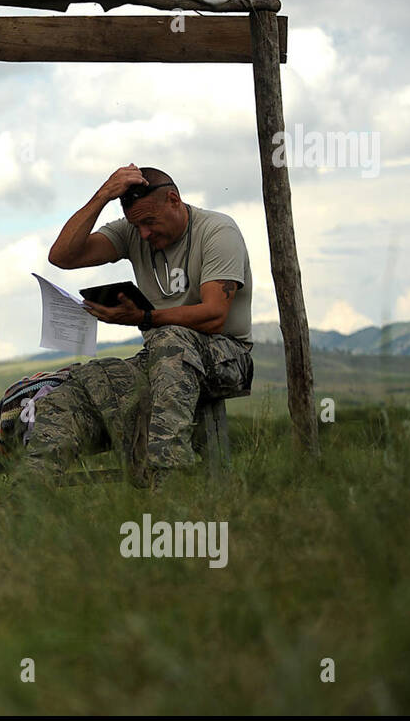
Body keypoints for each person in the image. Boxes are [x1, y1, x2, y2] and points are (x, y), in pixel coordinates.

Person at [24, 163, 254, 486]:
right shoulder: (134, 232)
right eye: (137, 225)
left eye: (149, 222)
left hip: (227, 357)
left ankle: (170, 487)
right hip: (161, 356)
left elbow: (214, 315)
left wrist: (145, 318)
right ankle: (30, 497)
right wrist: (103, 194)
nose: (144, 234)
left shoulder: (218, 231)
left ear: (173, 201)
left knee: (170, 342)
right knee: (87, 381)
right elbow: (62, 256)